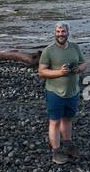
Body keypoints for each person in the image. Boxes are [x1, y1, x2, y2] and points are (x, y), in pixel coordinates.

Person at [37, 22, 86, 164]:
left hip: (73, 92)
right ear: (55, 33)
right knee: (55, 121)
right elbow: (41, 71)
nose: (60, 34)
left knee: (68, 119)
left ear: (68, 32)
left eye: (63, 31)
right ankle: (56, 152)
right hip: (55, 92)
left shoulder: (75, 48)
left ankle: (68, 145)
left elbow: (84, 63)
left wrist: (79, 69)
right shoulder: (48, 51)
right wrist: (60, 72)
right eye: (58, 31)